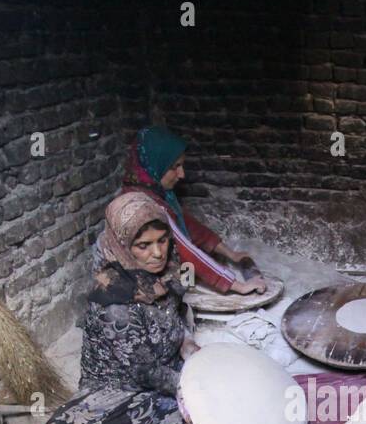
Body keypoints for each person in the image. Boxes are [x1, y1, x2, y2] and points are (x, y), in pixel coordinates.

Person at [34, 194, 198, 424]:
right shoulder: (114, 301)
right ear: (122, 246)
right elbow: (145, 373)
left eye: (162, 240)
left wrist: (187, 342)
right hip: (117, 388)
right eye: (143, 246)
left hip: (164, 368)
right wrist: (191, 389)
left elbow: (176, 315)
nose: (157, 253)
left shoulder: (165, 273)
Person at [92, 125, 267, 296]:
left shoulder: (152, 190)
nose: (182, 174)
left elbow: (187, 225)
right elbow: (185, 249)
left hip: (154, 268)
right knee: (189, 284)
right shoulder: (146, 207)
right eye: (175, 167)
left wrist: (231, 254)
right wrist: (236, 285)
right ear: (156, 164)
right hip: (141, 283)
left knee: (199, 268)